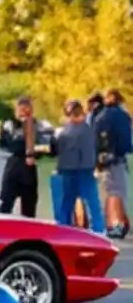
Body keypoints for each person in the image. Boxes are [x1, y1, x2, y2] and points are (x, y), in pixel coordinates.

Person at [53, 99, 106, 233]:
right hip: (84, 169)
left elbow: (56, 149)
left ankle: (63, 230)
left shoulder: (63, 132)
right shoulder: (88, 130)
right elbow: (96, 148)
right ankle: (98, 231)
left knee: (67, 204)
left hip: (69, 170)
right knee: (92, 203)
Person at [0, 96, 44, 217]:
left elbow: (47, 147)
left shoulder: (37, 125)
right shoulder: (9, 124)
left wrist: (33, 153)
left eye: (25, 109)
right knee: (7, 205)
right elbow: (4, 143)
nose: (22, 112)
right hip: (19, 165)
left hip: (24, 167)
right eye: (21, 109)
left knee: (26, 207)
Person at [94, 88, 131, 237]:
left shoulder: (102, 116)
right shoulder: (123, 116)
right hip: (118, 159)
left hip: (107, 160)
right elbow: (126, 142)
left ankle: (111, 224)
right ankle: (118, 225)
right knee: (117, 192)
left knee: (111, 193)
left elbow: (97, 139)